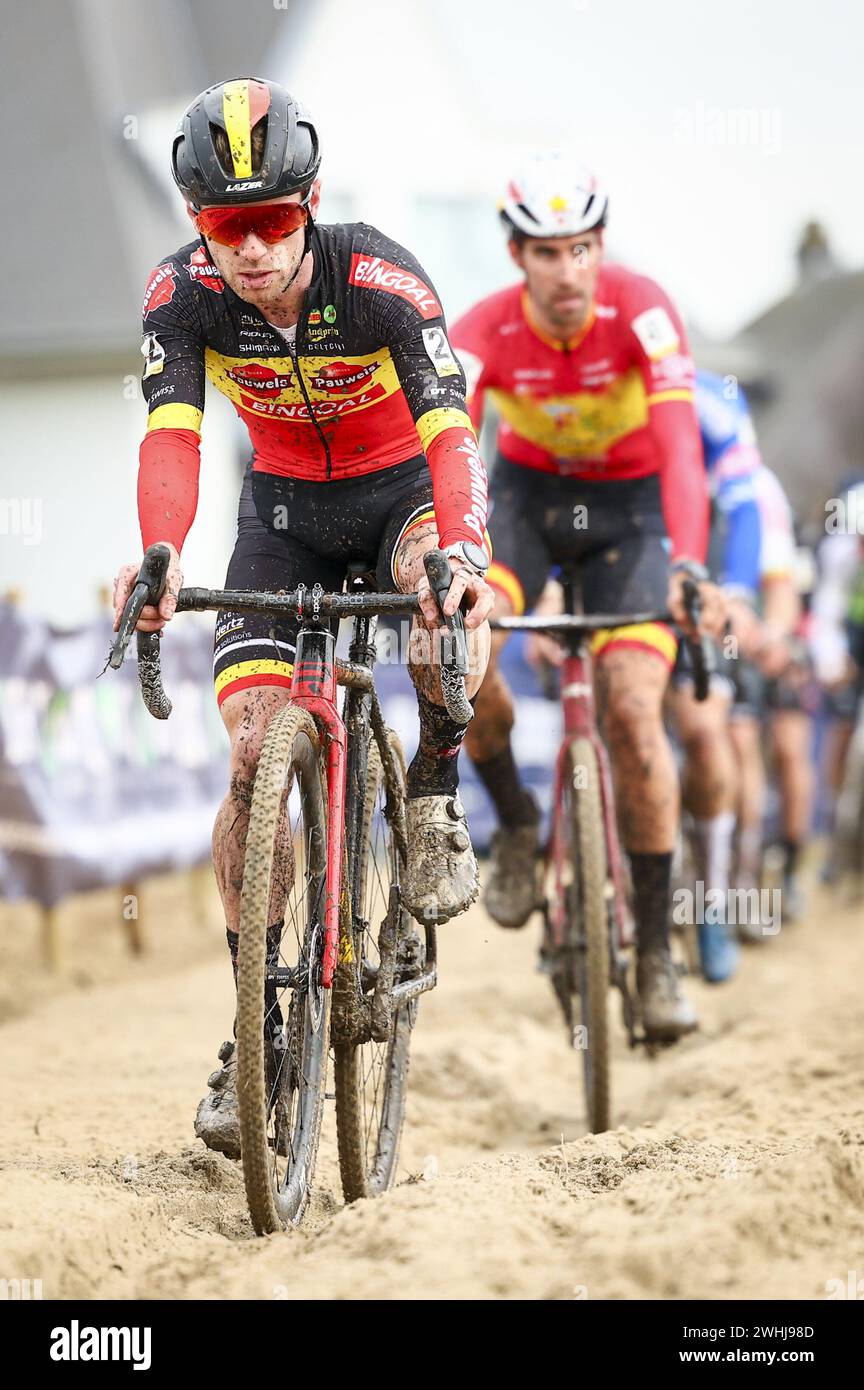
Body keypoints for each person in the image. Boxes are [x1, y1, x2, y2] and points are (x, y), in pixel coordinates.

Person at [112, 78, 494, 1157]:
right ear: (199, 225)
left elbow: (452, 432)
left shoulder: (380, 280)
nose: (253, 249)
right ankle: (258, 1032)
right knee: (249, 765)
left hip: (402, 494)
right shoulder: (180, 298)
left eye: (274, 221)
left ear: (311, 203)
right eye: (226, 227)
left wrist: (458, 548)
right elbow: (175, 439)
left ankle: (435, 790)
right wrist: (163, 551)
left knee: (438, 600)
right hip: (277, 510)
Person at [451, 154, 724, 1041]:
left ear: (601, 248)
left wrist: (687, 563)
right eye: (546, 254)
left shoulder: (643, 309)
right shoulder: (484, 328)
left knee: (635, 715)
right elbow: (446, 438)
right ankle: (520, 824)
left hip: (632, 515)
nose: (566, 272)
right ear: (516, 257)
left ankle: (652, 956)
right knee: (452, 645)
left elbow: (684, 448)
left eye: (581, 250)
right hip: (527, 503)